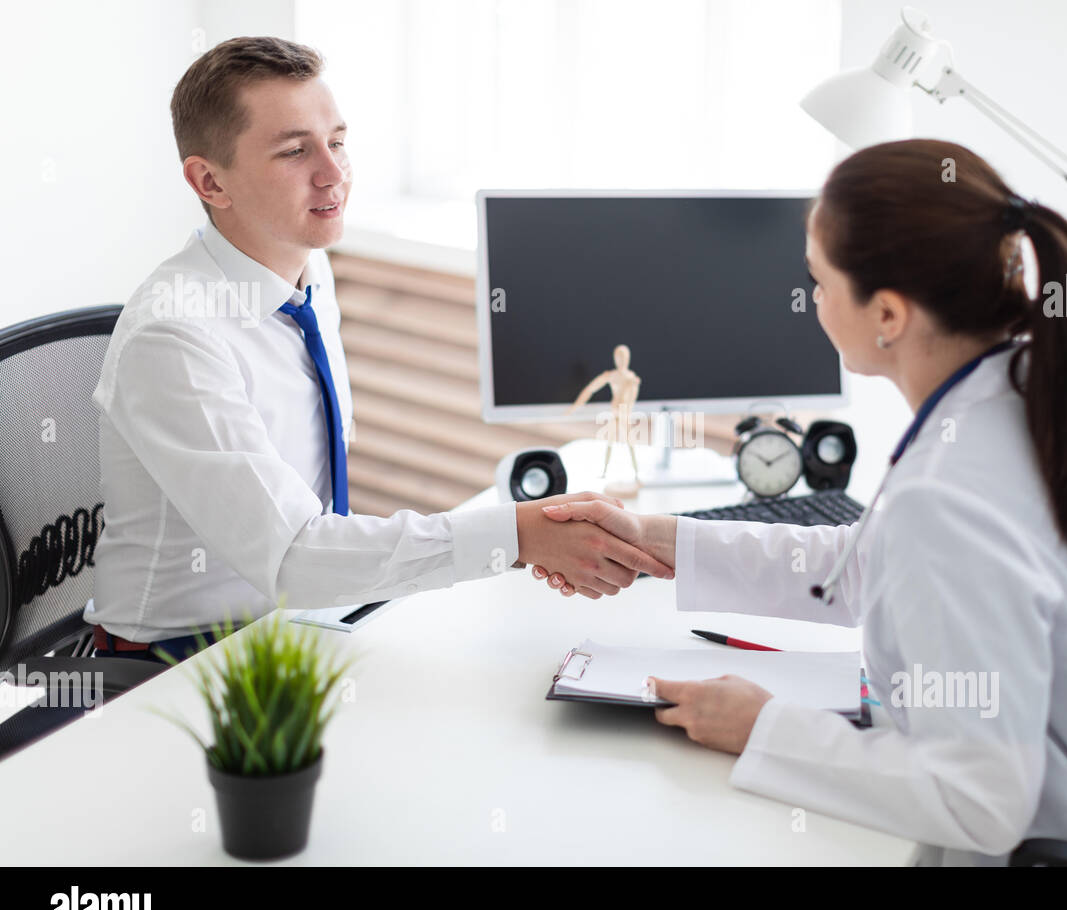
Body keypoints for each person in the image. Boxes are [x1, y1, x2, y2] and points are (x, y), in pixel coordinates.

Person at [529, 139, 1067, 866]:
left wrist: (763, 727)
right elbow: (871, 564)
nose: (811, 300)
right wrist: (660, 540)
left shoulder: (953, 488)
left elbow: (980, 802)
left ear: (887, 313)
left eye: (817, 280)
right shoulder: (1029, 388)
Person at [86, 36, 671, 664]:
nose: (334, 174)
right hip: (178, 664)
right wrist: (516, 536)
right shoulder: (174, 336)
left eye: (337, 141)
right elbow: (293, 556)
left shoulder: (309, 274)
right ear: (210, 181)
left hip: (299, 626)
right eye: (294, 151)